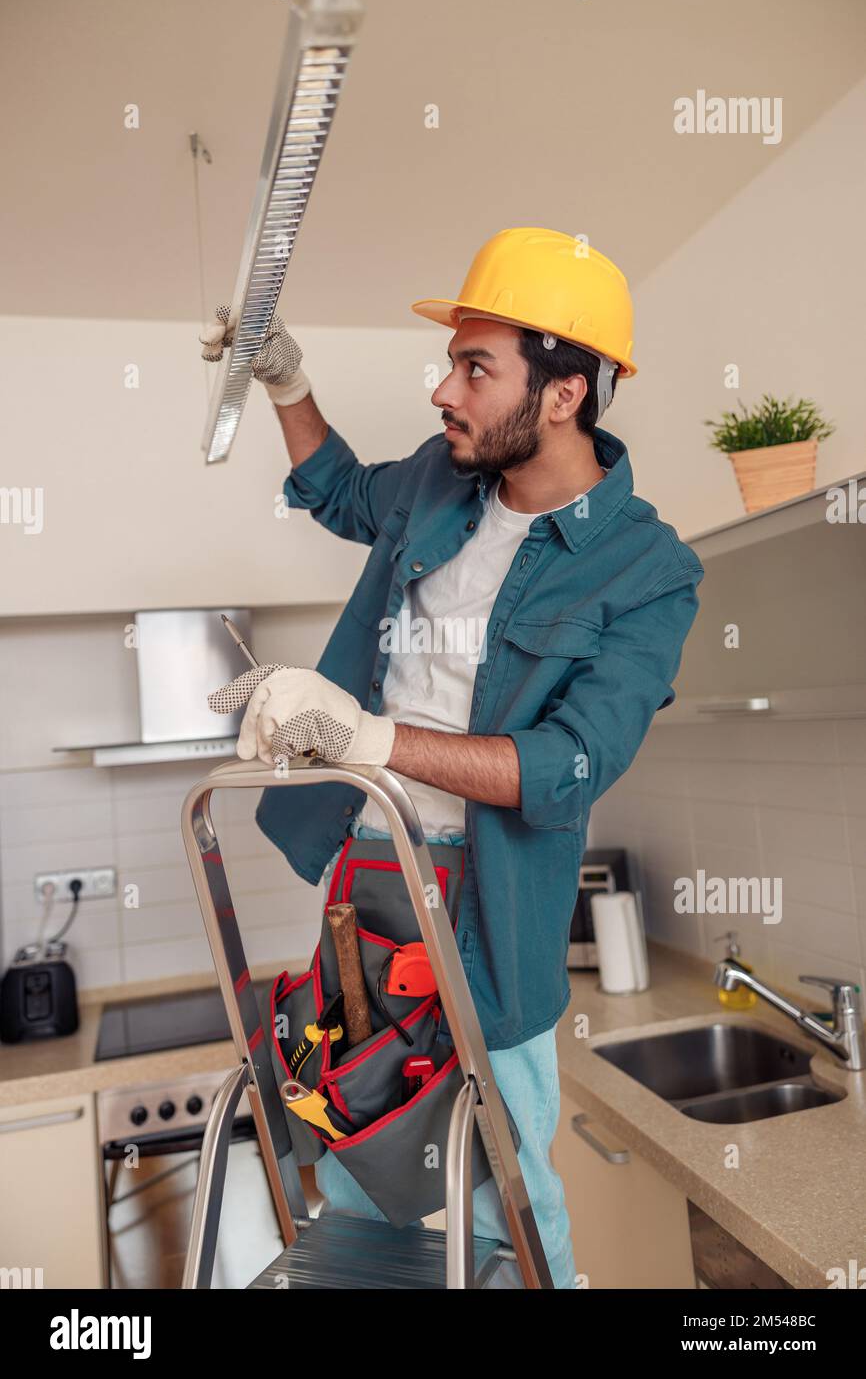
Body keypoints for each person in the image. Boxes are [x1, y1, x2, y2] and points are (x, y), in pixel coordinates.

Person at [201, 226, 704, 1289]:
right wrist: (287, 378)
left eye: (474, 366)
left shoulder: (647, 569)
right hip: (367, 878)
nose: (443, 389)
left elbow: (567, 766)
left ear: (563, 391)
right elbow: (339, 491)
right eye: (450, 362)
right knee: (355, 1154)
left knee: (499, 1196)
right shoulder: (438, 479)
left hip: (489, 910)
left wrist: (364, 738)